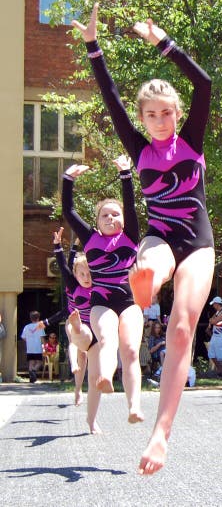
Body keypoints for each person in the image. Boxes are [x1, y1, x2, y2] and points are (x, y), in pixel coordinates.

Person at [74, 4, 215, 474]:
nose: (159, 120)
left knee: (180, 329)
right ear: (143, 118)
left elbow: (205, 84)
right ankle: (147, 283)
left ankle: (161, 434)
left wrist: (163, 42)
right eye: (150, 115)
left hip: (198, 242)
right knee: (151, 263)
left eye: (166, 113)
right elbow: (110, 96)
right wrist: (93, 46)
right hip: (159, 236)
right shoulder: (137, 148)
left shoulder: (191, 139)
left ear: (176, 114)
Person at [62, 156, 144, 429]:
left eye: (115, 214)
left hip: (129, 300)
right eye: (104, 215)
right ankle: (105, 377)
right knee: (107, 339)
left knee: (131, 349)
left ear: (123, 220)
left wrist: (125, 174)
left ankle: (134, 406)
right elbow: (69, 210)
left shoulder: (131, 235)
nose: (111, 217)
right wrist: (68, 180)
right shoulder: (91, 239)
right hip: (102, 302)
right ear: (97, 222)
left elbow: (130, 205)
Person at [40, 228, 94, 404]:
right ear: (76, 275)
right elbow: (66, 265)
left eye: (89, 274)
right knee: (72, 339)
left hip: (89, 325)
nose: (86, 278)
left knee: (84, 355)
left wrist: (77, 245)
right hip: (73, 320)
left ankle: (78, 389)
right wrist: (57, 247)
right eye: (82, 274)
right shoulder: (72, 286)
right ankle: (73, 364)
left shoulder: (95, 287)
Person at [206, 297, 222, 376]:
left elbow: (213, 321)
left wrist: (212, 320)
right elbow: (211, 320)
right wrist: (212, 320)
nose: (213, 305)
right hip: (215, 336)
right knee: (211, 354)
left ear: (217, 304)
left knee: (221, 356)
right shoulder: (217, 312)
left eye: (214, 304)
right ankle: (221, 371)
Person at [21, 311, 45, 382]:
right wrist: (44, 346)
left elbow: (23, 337)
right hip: (38, 348)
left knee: (31, 362)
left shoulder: (27, 327)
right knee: (39, 362)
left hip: (30, 348)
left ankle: (31, 378)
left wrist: (28, 341)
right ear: (38, 318)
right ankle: (34, 371)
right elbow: (42, 338)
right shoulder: (40, 326)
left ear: (30, 318)